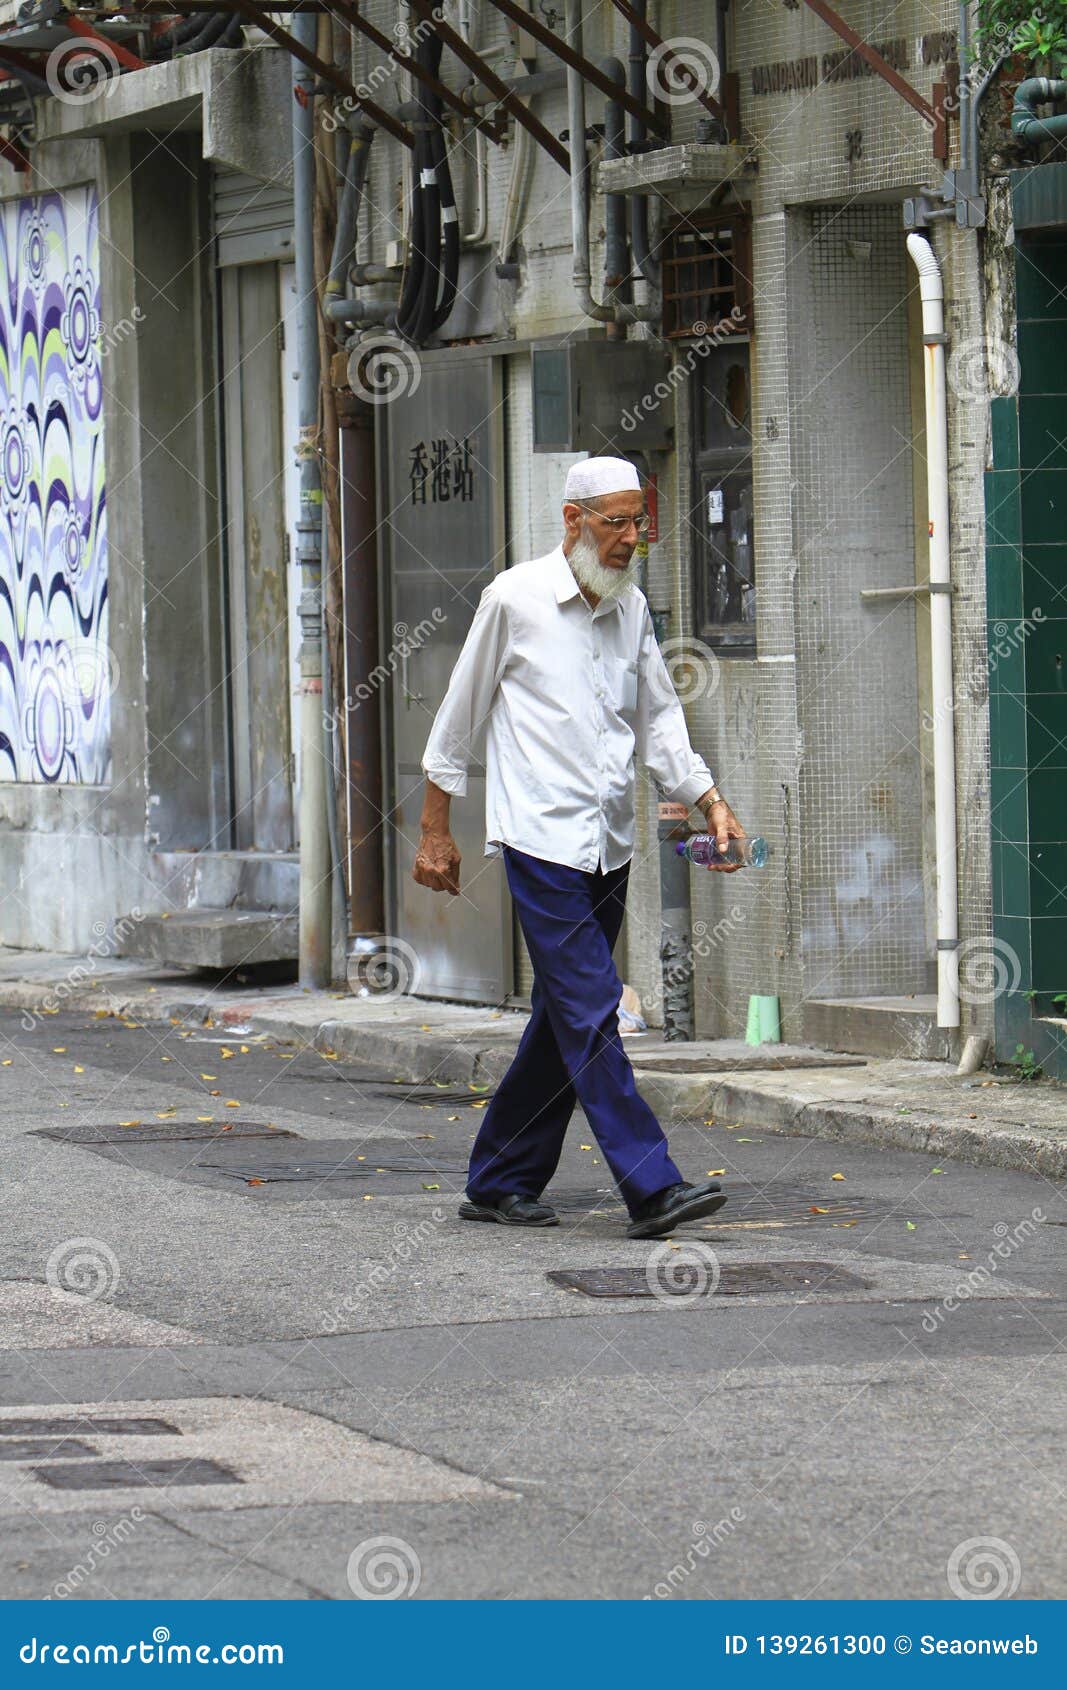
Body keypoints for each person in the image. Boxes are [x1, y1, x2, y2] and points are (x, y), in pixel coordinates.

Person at [413, 456, 747, 1239]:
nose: (632, 538)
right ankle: (650, 1182)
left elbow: (660, 720)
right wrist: (435, 829)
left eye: (640, 523)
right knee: (593, 1007)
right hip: (539, 840)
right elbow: (457, 718)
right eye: (616, 523)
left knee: (564, 1015)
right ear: (572, 521)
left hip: (608, 844)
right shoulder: (514, 599)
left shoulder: (629, 609)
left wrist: (709, 800)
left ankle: (499, 1178)